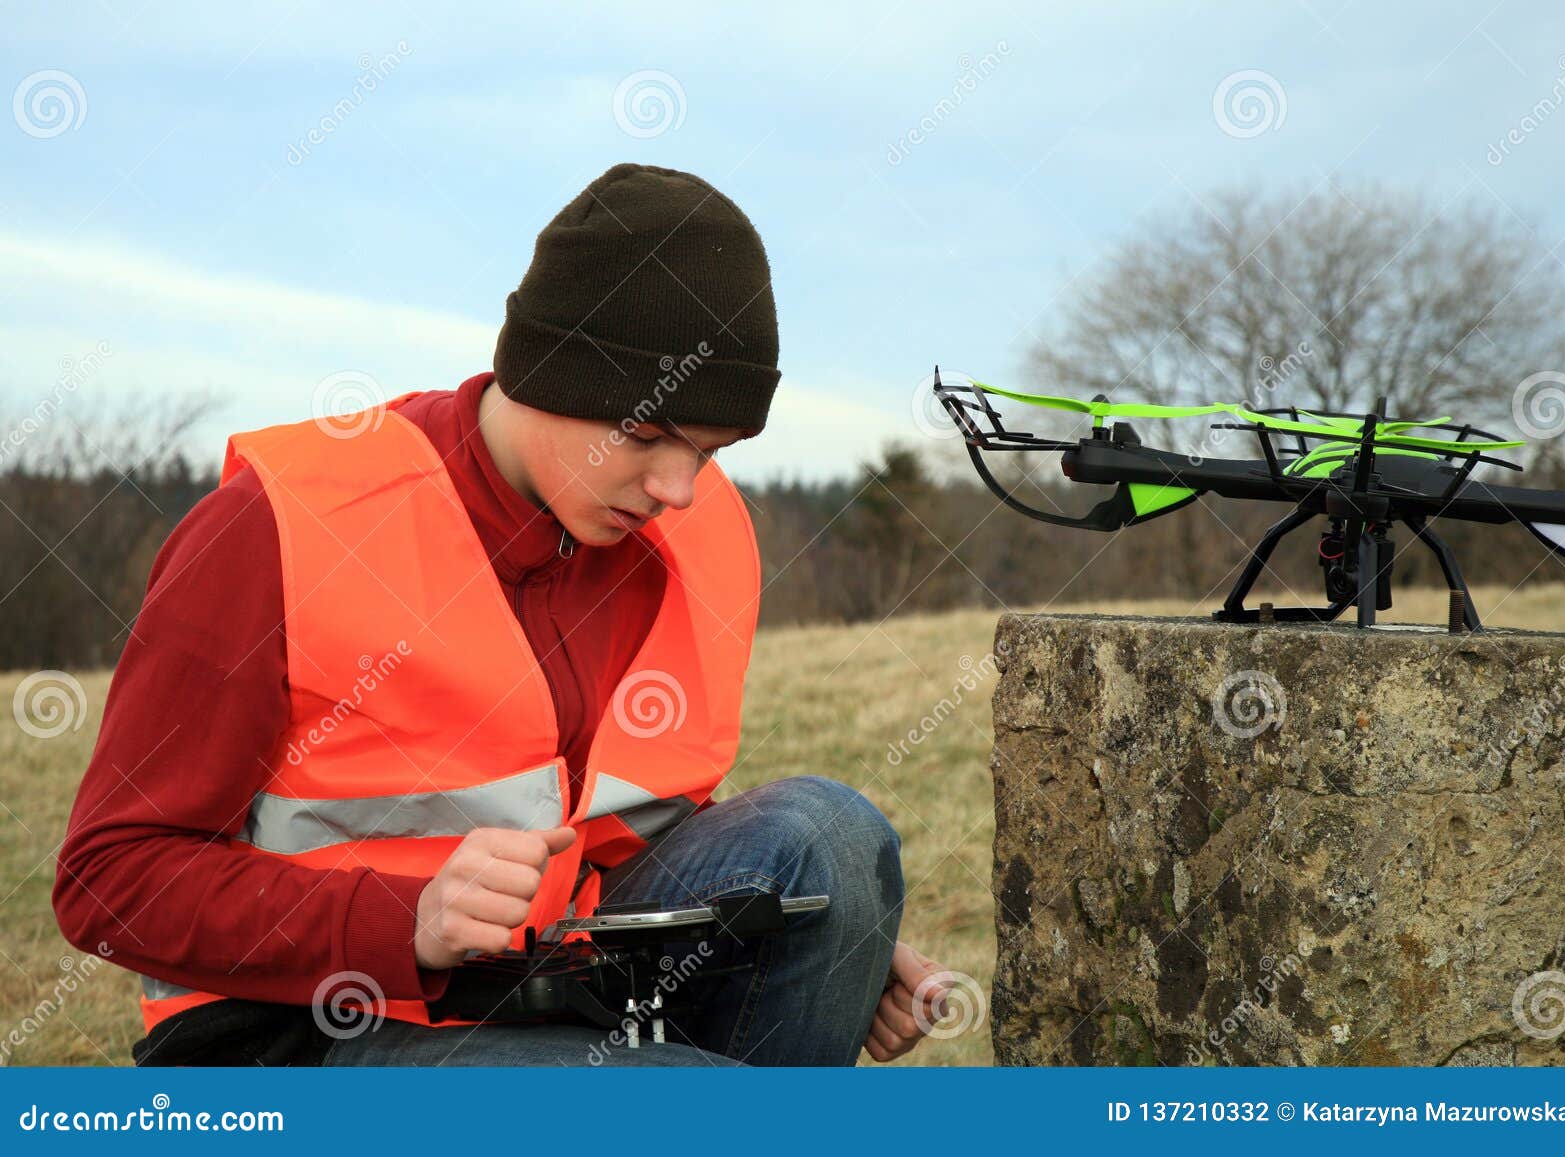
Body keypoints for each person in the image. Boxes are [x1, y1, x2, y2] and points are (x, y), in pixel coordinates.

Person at [53, 162, 952, 1067]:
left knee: (831, 841)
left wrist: (829, 948)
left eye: (708, 450)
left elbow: (636, 814)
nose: (677, 489)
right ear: (544, 371)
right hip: (314, 1025)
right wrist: (403, 922)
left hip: (555, 974)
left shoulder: (690, 535)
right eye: (645, 437)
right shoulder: (277, 529)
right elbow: (107, 880)